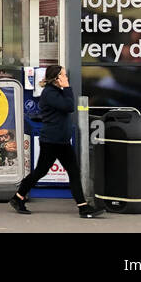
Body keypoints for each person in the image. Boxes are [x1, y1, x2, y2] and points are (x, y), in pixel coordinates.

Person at [11, 65, 104, 218]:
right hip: (52, 141)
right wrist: (67, 88)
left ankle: (83, 207)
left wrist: (65, 88)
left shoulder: (56, 92)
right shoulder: (49, 93)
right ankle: (18, 197)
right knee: (42, 171)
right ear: (57, 78)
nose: (67, 78)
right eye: (64, 76)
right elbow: (69, 107)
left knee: (72, 172)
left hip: (61, 141)